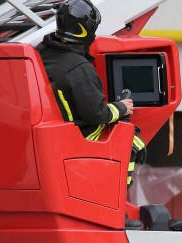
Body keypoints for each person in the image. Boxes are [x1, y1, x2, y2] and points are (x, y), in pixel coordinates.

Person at [37, 0, 145, 185]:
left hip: (52, 134)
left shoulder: (43, 51)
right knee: (132, 141)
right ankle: (116, 192)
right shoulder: (79, 68)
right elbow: (96, 113)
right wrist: (121, 108)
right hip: (76, 137)